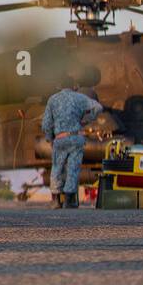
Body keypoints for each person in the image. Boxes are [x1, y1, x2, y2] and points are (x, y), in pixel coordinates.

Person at [41, 70, 105, 208]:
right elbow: (98, 107)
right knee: (73, 169)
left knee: (57, 168)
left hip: (60, 139)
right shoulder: (79, 98)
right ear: (73, 86)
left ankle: (56, 200)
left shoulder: (53, 99)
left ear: (60, 86)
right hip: (76, 137)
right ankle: (70, 201)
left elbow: (46, 124)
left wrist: (49, 139)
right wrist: (88, 120)